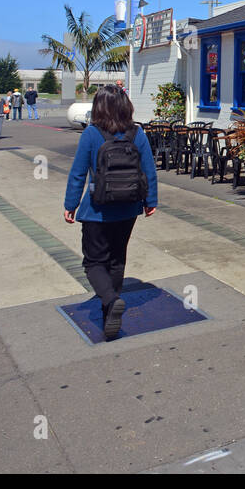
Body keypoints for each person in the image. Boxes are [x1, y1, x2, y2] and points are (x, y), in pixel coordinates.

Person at [63, 86, 157, 340]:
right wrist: (151, 201)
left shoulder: (92, 134)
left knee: (94, 262)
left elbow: (78, 173)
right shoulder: (137, 133)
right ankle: (110, 313)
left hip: (96, 209)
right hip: (128, 209)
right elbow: (148, 170)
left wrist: (71, 204)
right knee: (117, 260)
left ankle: (110, 299)